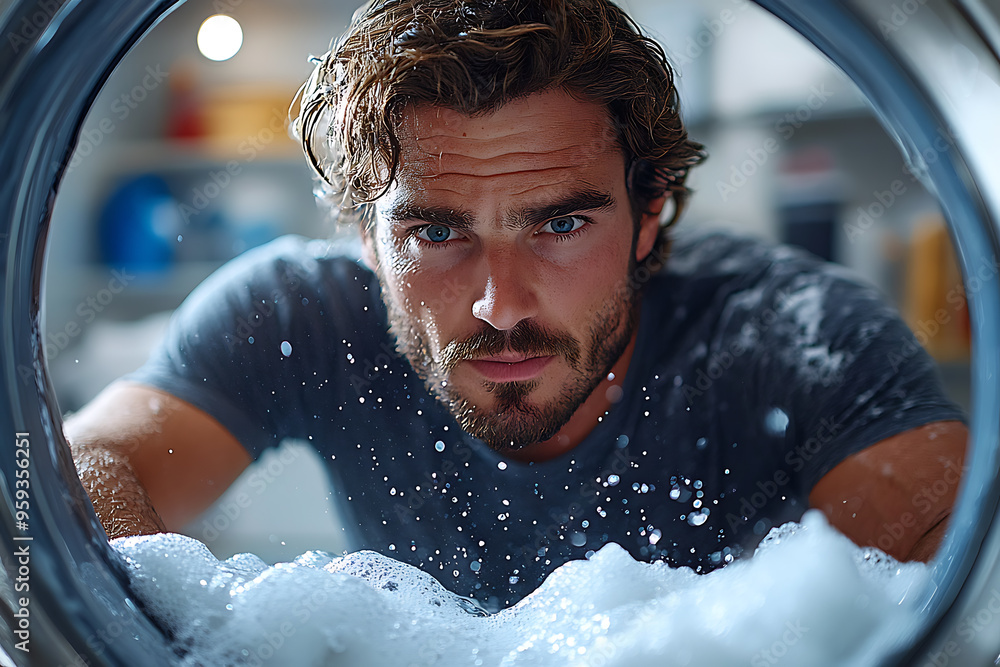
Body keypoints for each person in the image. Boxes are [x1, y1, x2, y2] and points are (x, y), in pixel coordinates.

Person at [67, 0, 967, 611]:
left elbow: (961, 557)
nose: (500, 305)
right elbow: (74, 467)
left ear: (649, 213)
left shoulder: (796, 336)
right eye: (436, 233)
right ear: (365, 240)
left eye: (562, 223)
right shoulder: (300, 314)